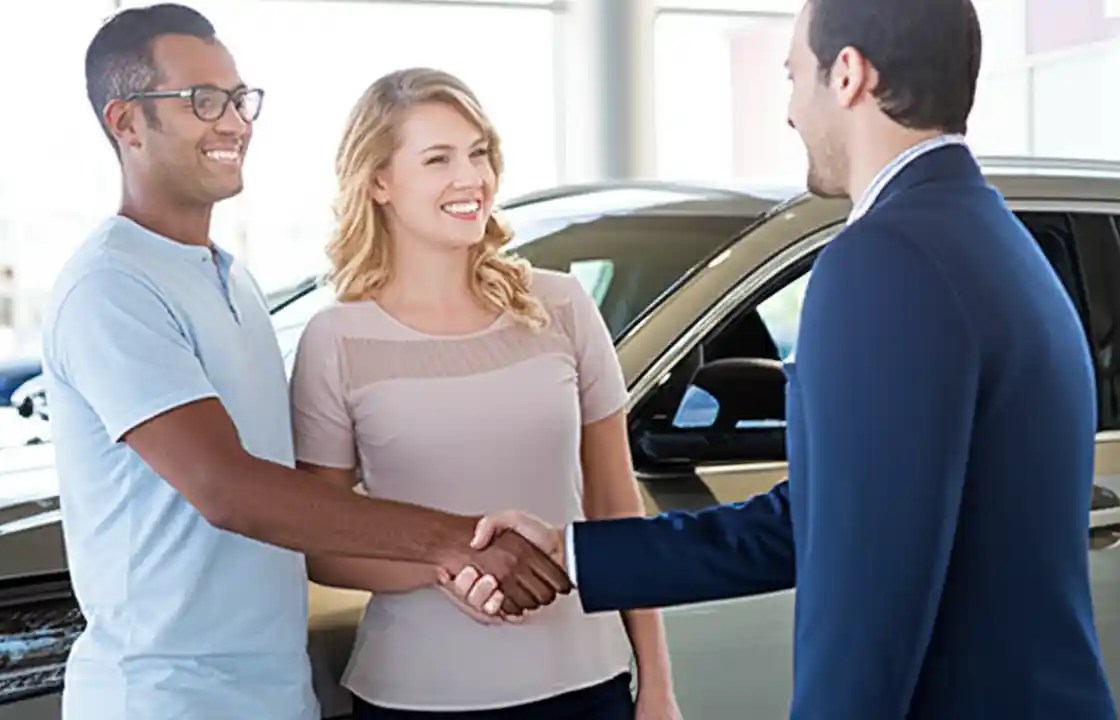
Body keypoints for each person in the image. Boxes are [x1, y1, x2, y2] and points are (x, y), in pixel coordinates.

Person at [463, 0, 1119, 718]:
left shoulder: (883, 260)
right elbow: (827, 517)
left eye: (792, 76)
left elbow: (868, 595)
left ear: (847, 75)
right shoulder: (996, 240)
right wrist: (576, 554)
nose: (789, 111)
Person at [41, 6, 567, 719]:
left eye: (238, 98)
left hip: (273, 693)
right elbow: (228, 487)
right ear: (127, 123)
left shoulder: (231, 279)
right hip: (164, 700)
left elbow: (295, 490)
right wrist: (457, 541)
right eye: (202, 101)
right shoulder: (110, 286)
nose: (232, 122)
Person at [289, 67, 681, 720]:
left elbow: (617, 506)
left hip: (587, 685)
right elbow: (322, 545)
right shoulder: (336, 340)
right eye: (438, 158)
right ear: (379, 181)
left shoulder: (561, 306)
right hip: (415, 696)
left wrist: (659, 683)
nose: (470, 178)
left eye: (478, 153)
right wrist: (454, 567)